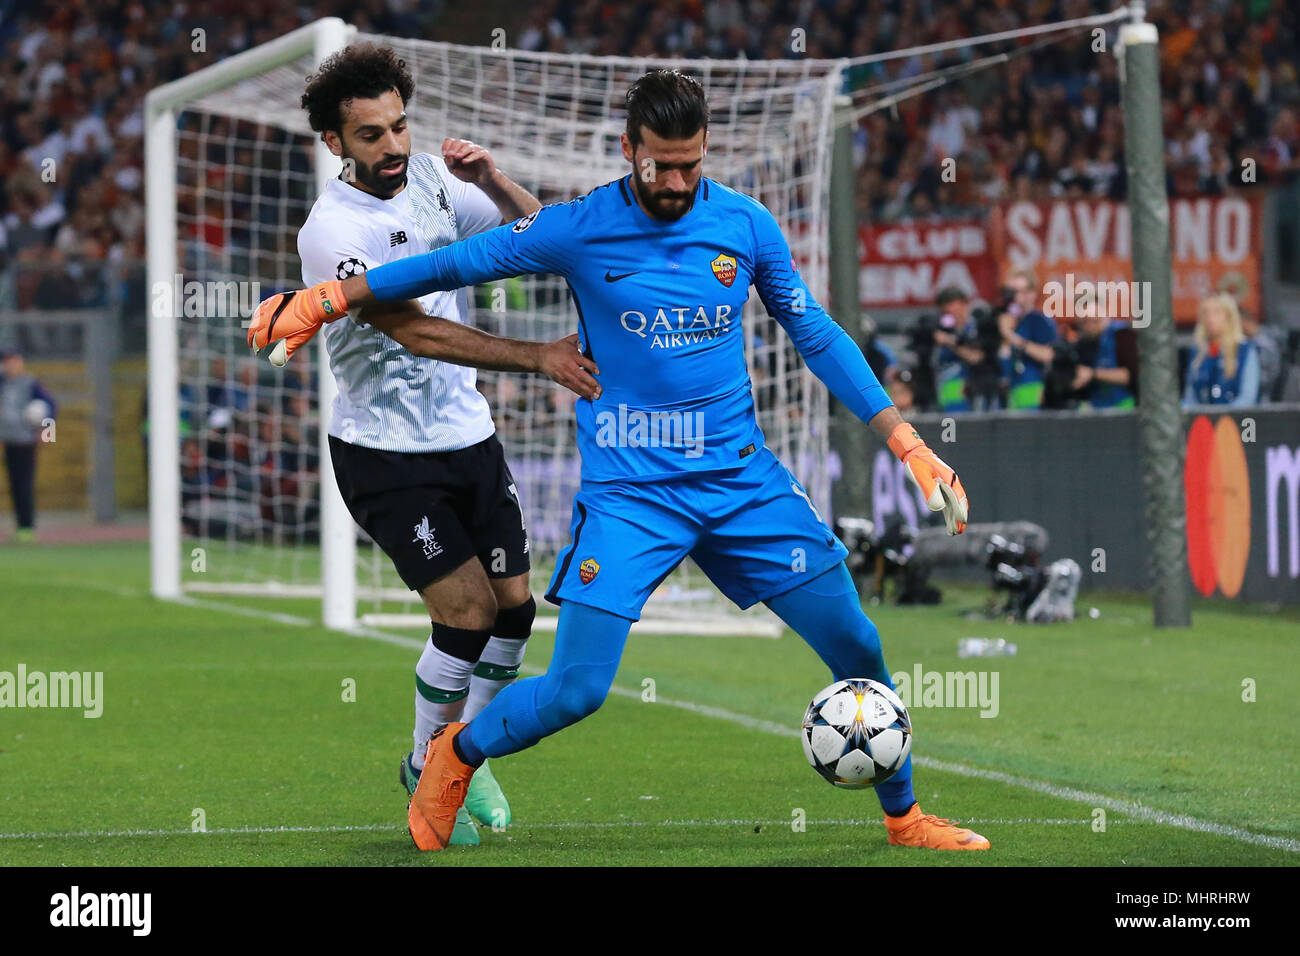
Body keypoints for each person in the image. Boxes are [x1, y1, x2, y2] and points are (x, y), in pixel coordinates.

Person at [252, 69, 986, 854]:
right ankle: (451, 755)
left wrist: (906, 441)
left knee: (860, 648)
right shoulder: (577, 225)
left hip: (742, 482)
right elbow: (447, 269)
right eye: (658, 163)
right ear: (627, 147)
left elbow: (816, 334)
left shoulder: (745, 224)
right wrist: (335, 297)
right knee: (576, 691)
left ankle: (905, 820)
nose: (674, 181)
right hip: (633, 494)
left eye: (690, 165)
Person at [287, 43, 601, 845]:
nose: (391, 147)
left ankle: (468, 754)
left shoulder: (430, 176)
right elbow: (415, 330)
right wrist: (538, 356)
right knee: (463, 616)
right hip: (386, 451)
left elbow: (540, 235)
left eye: (398, 126)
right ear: (334, 143)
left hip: (469, 435)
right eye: (369, 135)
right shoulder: (332, 231)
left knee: (516, 613)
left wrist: (492, 179)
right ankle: (432, 762)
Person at [0, 347, 58, 543]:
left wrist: (47, 434)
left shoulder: (30, 383)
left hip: (25, 442)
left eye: (13, 360)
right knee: (14, 485)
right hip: (8, 441)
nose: (10, 365)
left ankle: (27, 527)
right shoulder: (2, 382)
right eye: (6, 361)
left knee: (24, 485)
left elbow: (50, 405)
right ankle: (20, 527)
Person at [1183, 294, 1260, 407]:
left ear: (1229, 316)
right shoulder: (1198, 352)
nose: (1210, 318)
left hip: (1236, 420)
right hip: (1202, 420)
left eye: (1217, 312)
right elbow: (1190, 397)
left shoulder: (1245, 350)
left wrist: (1219, 418)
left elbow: (1247, 398)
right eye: (1206, 313)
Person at [998, 267, 1056, 410]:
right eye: (1013, 292)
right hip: (1007, 396)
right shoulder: (1006, 319)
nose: (1017, 297)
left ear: (1032, 294)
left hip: (1033, 395)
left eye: (1023, 291)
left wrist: (1011, 336)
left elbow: (1049, 355)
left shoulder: (1039, 320)